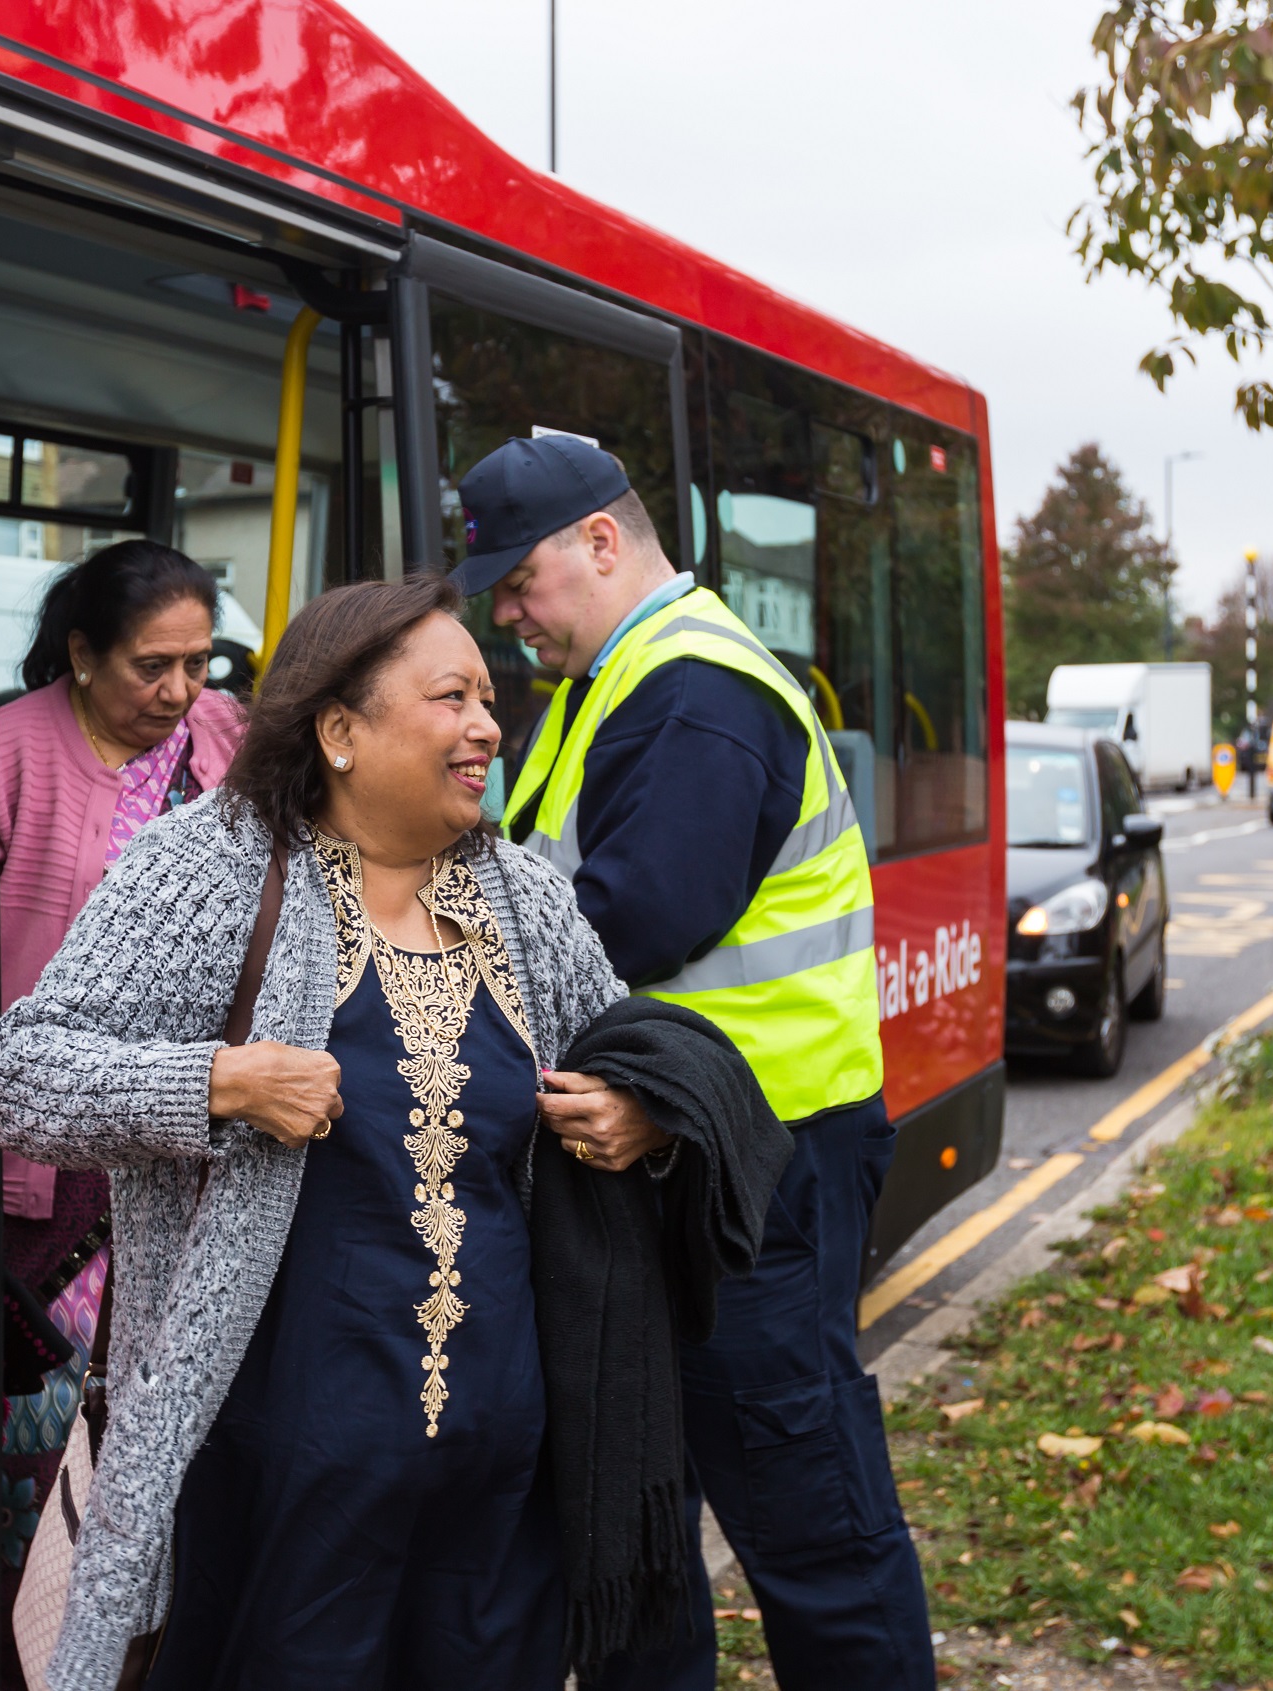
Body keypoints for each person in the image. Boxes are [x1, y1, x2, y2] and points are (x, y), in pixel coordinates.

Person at [0, 576, 762, 1691]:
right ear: (339, 729)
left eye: (490, 700)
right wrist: (219, 1080)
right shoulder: (206, 869)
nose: (488, 726)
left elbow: (627, 1054)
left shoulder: (520, 899)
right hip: (280, 1480)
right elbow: (17, 1080)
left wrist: (639, 1115)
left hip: (499, 1482)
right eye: (451, 698)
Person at [451, 434, 934, 1690]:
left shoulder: (693, 692)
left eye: (519, 581)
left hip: (751, 1170)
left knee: (804, 1511)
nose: (506, 612)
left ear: (601, 542)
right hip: (670, 1161)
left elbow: (623, 926)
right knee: (639, 1511)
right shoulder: (615, 684)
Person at [0, 523, 247, 1645]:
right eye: (153, 664)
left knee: (166, 1415)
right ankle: (44, 1636)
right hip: (58, 1149)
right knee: (46, 1427)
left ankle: (149, 1633)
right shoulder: (11, 748)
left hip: (198, 1126)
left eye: (199, 663)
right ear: (82, 654)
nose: (180, 689)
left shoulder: (224, 734)